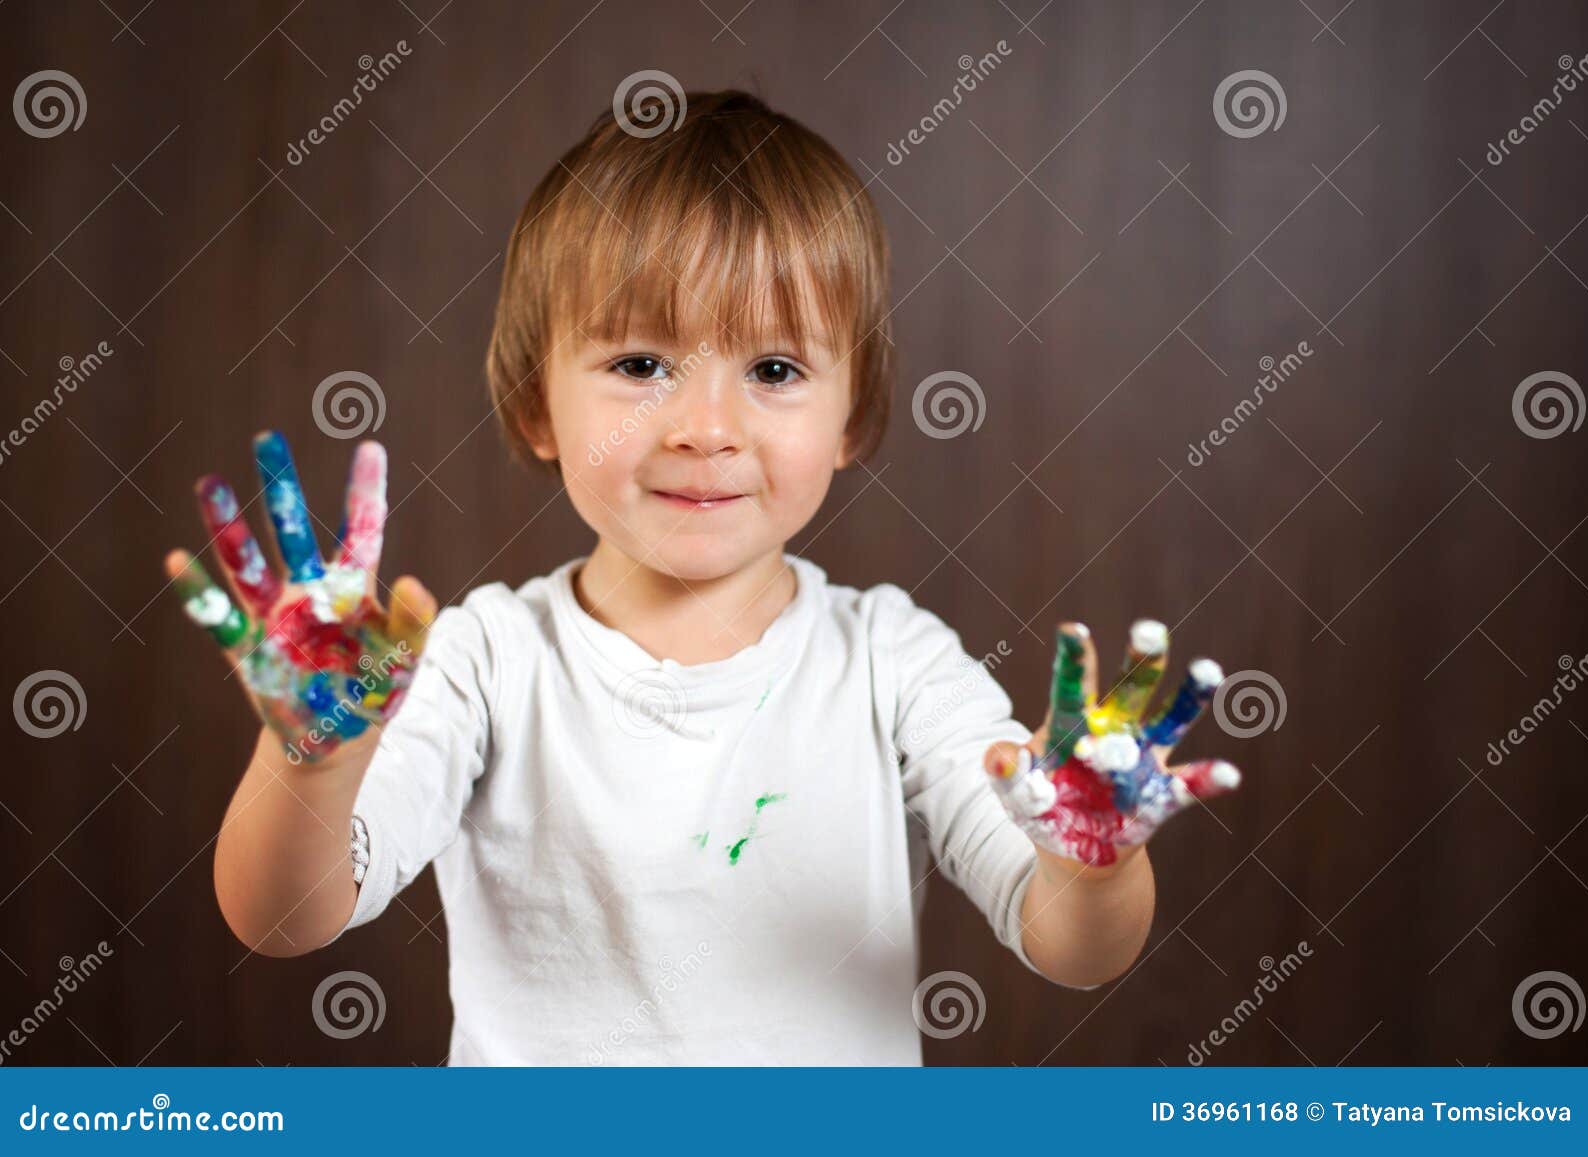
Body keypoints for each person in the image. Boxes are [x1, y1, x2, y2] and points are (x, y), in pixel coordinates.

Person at [163, 89, 1240, 1065]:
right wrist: (309, 761)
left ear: (853, 412)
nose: (705, 428)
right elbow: (284, 915)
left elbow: (1069, 947)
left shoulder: (893, 662)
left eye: (773, 369)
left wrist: (1093, 866)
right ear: (537, 403)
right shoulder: (485, 660)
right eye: (640, 365)